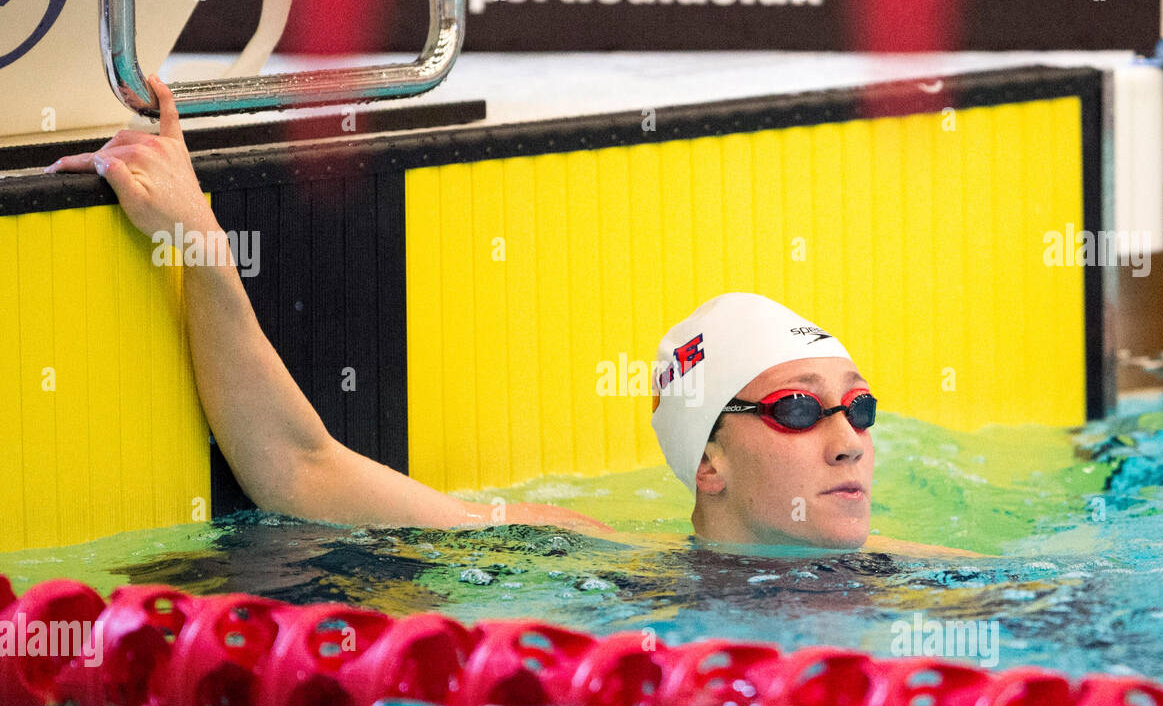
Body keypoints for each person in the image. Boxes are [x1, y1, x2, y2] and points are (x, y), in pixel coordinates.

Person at [47, 75, 976, 557]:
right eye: (800, 411)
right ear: (708, 464)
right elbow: (298, 468)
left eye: (859, 408)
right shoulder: (576, 556)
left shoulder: (935, 584)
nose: (851, 440)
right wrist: (197, 241)